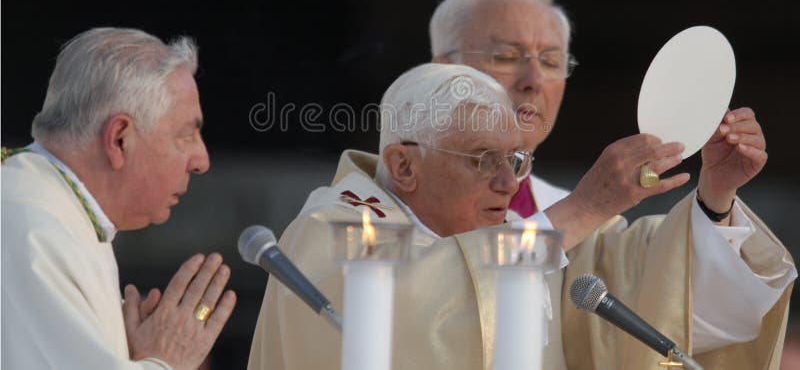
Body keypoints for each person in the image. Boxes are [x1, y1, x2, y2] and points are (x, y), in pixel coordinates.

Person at [247, 63, 795, 370]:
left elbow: (661, 293)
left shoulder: (516, 240)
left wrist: (714, 197)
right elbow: (410, 320)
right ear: (403, 166)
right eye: (483, 160)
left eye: (515, 160)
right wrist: (584, 208)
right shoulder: (336, 224)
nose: (511, 184)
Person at [2, 28, 237, 369]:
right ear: (120, 139)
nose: (202, 161)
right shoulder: (33, 233)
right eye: (186, 134)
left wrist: (123, 354)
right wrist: (167, 359)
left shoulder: (57, 211)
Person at [429, 0, 578, 216]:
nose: (534, 81)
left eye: (550, 62)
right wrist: (588, 209)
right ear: (443, 72)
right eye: (506, 57)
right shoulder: (374, 208)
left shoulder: (587, 226)